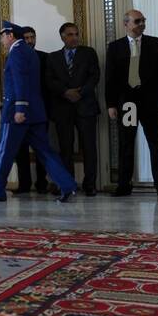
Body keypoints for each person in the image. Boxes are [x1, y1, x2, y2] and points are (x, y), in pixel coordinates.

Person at [0, 20, 77, 203]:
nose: (2, 41)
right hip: (36, 112)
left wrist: (19, 107)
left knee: (4, 151)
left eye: (3, 37)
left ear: (10, 35)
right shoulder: (28, 51)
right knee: (45, 151)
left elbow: (20, 81)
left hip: (17, 114)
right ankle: (67, 185)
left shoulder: (17, 52)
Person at [105, 8, 158, 198]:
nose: (141, 24)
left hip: (151, 103)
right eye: (137, 21)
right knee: (126, 144)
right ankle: (124, 185)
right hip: (128, 104)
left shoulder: (156, 43)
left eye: (143, 20)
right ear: (126, 24)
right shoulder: (115, 47)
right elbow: (110, 78)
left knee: (155, 144)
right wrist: (111, 104)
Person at [45, 22, 101, 196]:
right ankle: (67, 183)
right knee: (65, 148)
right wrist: (65, 92)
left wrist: (80, 93)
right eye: (70, 34)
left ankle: (90, 184)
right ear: (62, 36)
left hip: (85, 107)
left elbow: (94, 76)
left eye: (76, 34)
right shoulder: (52, 57)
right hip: (63, 109)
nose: (75, 37)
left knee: (89, 147)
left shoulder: (89, 53)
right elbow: (49, 80)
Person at [12, 26, 56, 196]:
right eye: (27, 38)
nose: (30, 41)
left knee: (41, 149)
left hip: (39, 109)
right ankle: (24, 184)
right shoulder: (15, 56)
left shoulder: (45, 57)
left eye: (33, 37)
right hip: (20, 110)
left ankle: (42, 184)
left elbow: (48, 85)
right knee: (20, 149)